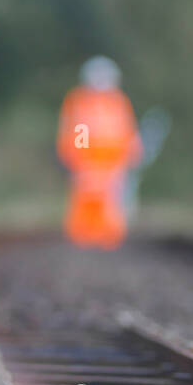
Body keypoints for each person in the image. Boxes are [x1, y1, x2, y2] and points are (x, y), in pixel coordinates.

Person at [56, 56, 141, 249]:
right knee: (86, 207)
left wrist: (130, 155)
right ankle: (83, 242)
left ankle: (109, 241)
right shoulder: (80, 101)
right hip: (88, 165)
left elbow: (127, 131)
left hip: (114, 166)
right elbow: (79, 130)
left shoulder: (119, 102)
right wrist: (81, 162)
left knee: (111, 210)